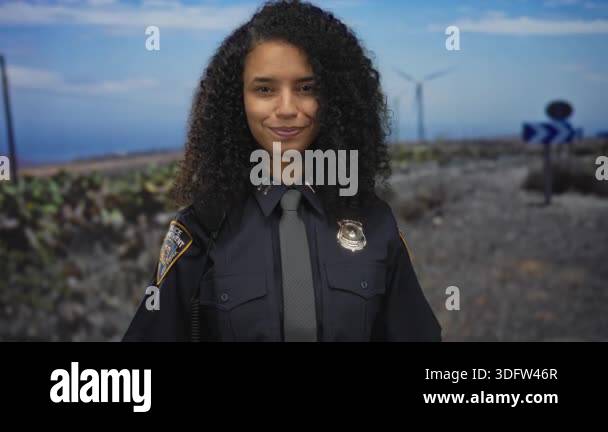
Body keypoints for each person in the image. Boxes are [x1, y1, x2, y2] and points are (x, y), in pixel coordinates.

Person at [123, 0, 441, 342]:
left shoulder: (375, 222)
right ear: (236, 99)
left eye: (307, 88)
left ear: (336, 97)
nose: (287, 109)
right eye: (264, 89)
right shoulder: (201, 228)